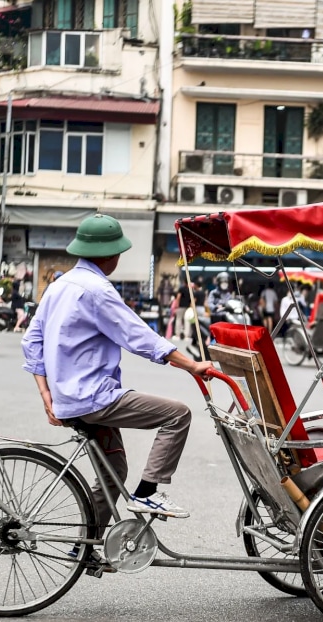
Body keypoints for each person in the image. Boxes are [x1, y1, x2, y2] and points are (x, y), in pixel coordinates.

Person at [22, 214, 212, 536]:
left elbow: (31, 342)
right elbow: (139, 336)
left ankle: (88, 545)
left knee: (114, 472)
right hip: (94, 398)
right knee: (178, 415)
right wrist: (192, 365)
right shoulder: (97, 290)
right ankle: (147, 495)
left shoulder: (58, 286)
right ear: (111, 256)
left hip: (68, 400)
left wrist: (46, 395)